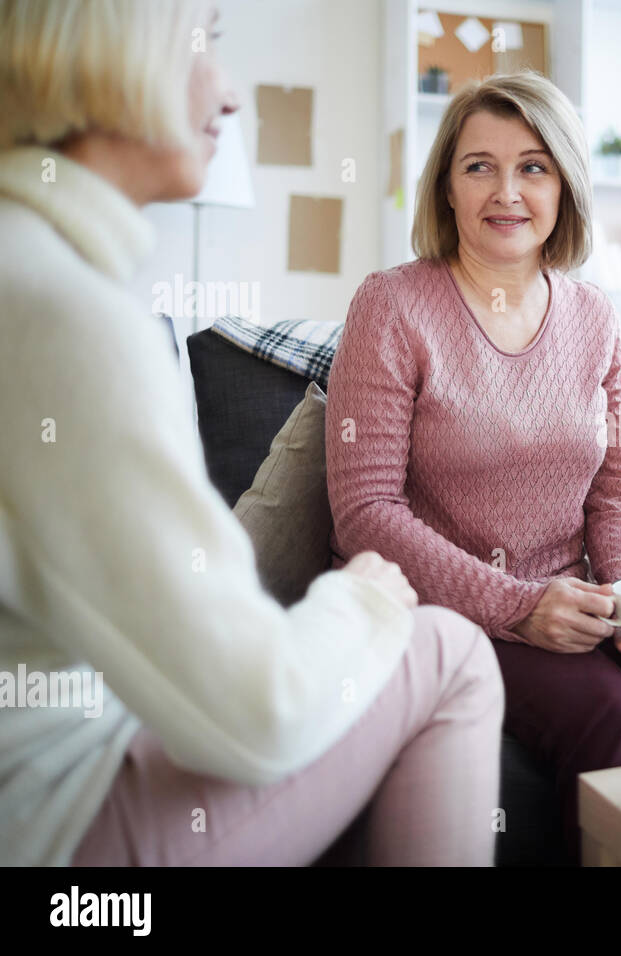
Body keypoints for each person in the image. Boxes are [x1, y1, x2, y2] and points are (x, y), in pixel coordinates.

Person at [0, 0, 503, 866]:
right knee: (451, 650)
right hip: (50, 830)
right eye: (209, 41)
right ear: (115, 47)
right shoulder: (62, 308)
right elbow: (256, 710)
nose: (230, 96)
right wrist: (369, 596)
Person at [324, 71, 621, 862]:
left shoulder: (594, 317)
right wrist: (520, 606)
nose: (507, 191)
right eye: (478, 165)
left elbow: (615, 484)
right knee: (610, 719)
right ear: (446, 187)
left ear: (565, 186)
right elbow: (366, 515)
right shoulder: (391, 307)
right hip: (442, 613)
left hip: (576, 599)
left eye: (533, 166)